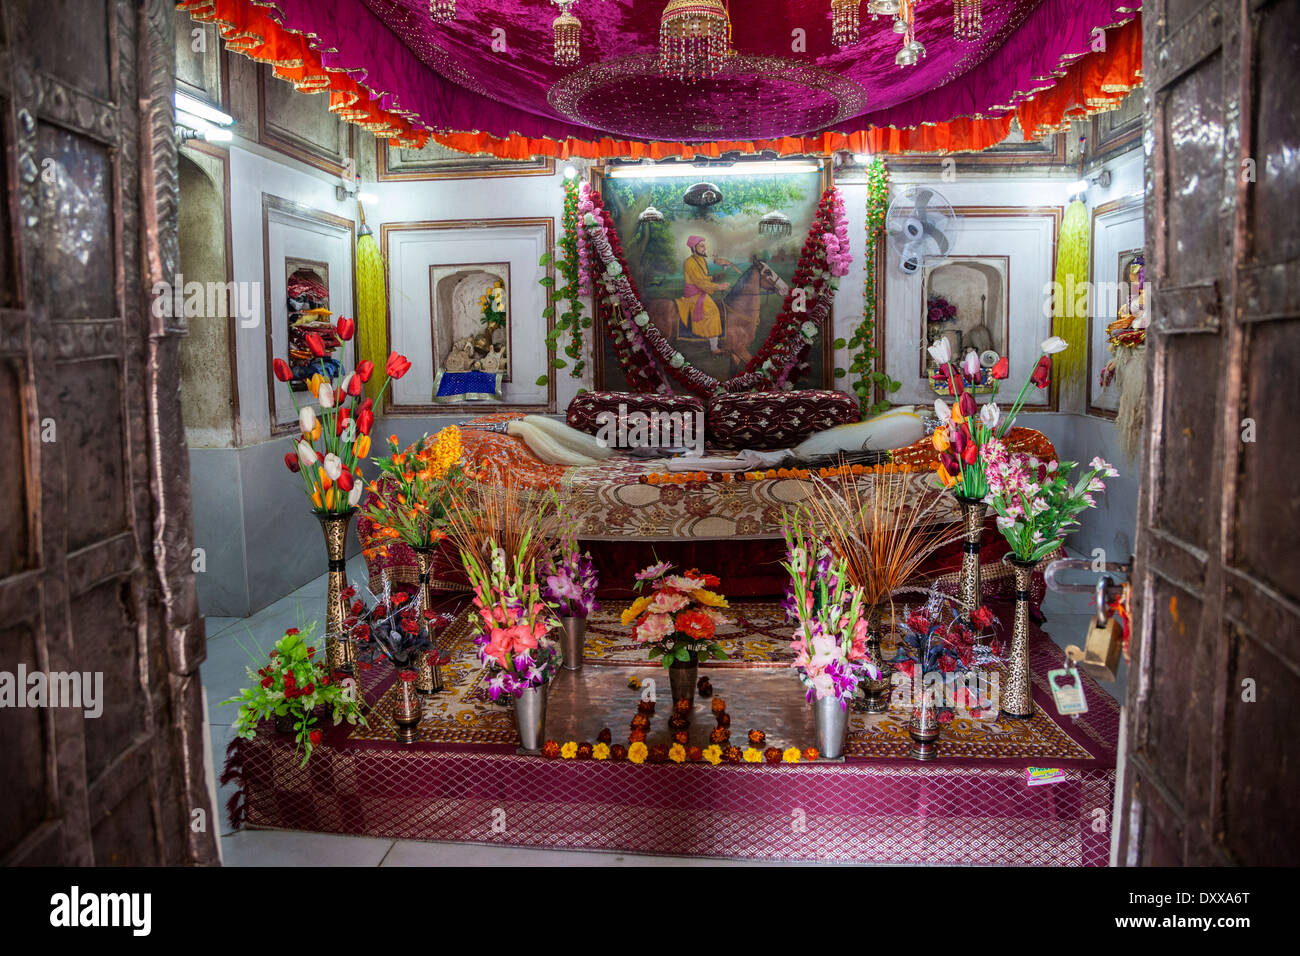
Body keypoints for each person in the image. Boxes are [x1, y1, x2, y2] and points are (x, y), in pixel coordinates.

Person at [674, 236, 732, 354]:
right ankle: (714, 348)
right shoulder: (689, 262)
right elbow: (699, 282)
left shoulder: (701, 260)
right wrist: (718, 286)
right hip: (694, 295)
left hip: (701, 291)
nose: (704, 248)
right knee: (713, 311)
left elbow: (703, 278)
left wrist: (713, 277)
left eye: (704, 245)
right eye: (701, 246)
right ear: (694, 248)